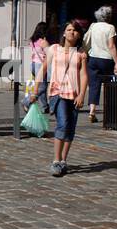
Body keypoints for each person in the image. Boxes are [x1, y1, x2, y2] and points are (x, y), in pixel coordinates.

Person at [33, 21, 89, 176]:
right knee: (63, 125)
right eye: (69, 29)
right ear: (64, 33)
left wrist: (82, 94)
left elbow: (84, 76)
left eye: (75, 30)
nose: (72, 32)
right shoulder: (54, 49)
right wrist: (35, 90)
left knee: (70, 128)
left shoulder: (81, 53)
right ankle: (56, 160)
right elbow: (43, 69)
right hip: (58, 93)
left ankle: (64, 160)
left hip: (74, 94)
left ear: (79, 35)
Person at [84, 5, 117, 123]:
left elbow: (87, 41)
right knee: (110, 86)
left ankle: (92, 111)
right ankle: (109, 111)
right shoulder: (111, 28)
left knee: (94, 85)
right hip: (106, 59)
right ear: (109, 16)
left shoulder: (93, 26)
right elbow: (111, 46)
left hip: (93, 58)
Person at [28, 21, 50, 113]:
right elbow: (49, 54)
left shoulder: (32, 41)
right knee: (42, 87)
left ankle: (45, 106)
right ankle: (27, 101)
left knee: (41, 86)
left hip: (32, 64)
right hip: (40, 65)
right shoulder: (43, 42)